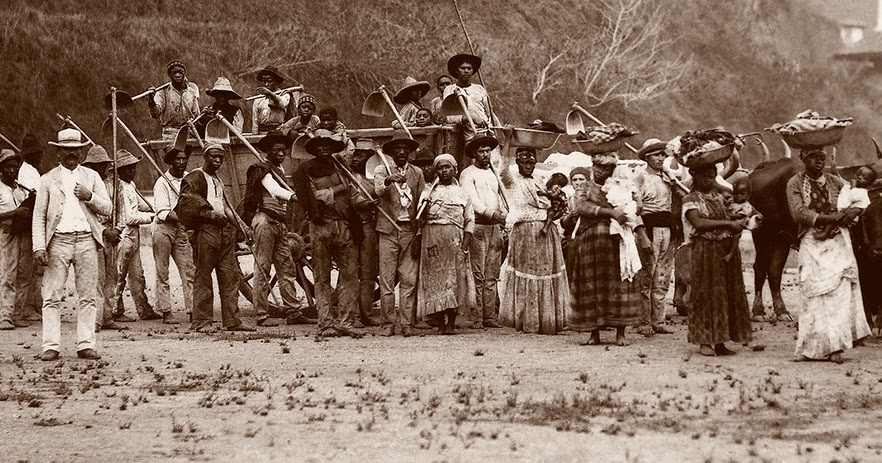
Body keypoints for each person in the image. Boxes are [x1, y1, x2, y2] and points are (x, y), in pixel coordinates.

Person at [33, 128, 112, 360]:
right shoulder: (47, 179)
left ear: (80, 152)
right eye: (66, 150)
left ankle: (86, 344)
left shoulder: (91, 177)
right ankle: (51, 345)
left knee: (88, 295)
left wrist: (89, 196)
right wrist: (39, 246)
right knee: (51, 295)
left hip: (87, 239)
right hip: (58, 240)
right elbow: (39, 216)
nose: (71, 154)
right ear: (58, 152)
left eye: (75, 150)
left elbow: (107, 208)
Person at [786, 147, 870, 363]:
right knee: (812, 294)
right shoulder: (795, 183)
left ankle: (835, 348)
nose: (819, 161)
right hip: (812, 242)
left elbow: (857, 197)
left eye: (822, 158)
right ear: (802, 158)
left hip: (837, 243)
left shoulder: (835, 181)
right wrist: (834, 219)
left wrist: (856, 210)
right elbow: (799, 214)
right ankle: (809, 349)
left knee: (837, 295)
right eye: (813, 157)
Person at [563, 153, 643, 346]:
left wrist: (634, 206)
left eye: (605, 168)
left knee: (618, 283)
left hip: (616, 242)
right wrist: (610, 212)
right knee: (592, 284)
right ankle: (594, 333)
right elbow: (582, 207)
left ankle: (620, 333)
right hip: (591, 241)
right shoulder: (585, 187)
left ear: (611, 170)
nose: (600, 171)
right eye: (597, 167)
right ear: (593, 166)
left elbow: (635, 206)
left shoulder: (620, 184)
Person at [291, 131, 364, 340]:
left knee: (350, 274)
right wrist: (338, 189)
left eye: (327, 145)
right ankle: (325, 323)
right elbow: (317, 198)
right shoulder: (306, 171)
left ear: (332, 148)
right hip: (321, 226)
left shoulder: (341, 167)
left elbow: (352, 194)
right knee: (321, 276)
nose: (324, 149)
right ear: (313, 150)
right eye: (319, 146)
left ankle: (345, 322)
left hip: (344, 225)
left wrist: (365, 201)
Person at [176, 143, 255, 333]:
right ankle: (202, 321)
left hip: (224, 232)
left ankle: (232, 320)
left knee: (230, 276)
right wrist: (210, 215)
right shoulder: (195, 177)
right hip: (207, 231)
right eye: (214, 157)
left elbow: (227, 209)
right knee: (203, 276)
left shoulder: (218, 181)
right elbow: (186, 202)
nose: (218, 161)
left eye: (220, 157)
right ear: (205, 157)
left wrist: (243, 227)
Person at [242, 131, 313, 326]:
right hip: (265, 221)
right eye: (277, 150)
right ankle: (261, 315)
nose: (281, 153)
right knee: (263, 267)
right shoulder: (262, 170)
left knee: (287, 267)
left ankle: (293, 312)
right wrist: (296, 197)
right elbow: (275, 191)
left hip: (280, 225)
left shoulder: (278, 169)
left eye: (283, 150)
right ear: (269, 152)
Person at [682, 164, 752, 357]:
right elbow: (698, 223)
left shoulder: (719, 197)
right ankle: (704, 341)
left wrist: (740, 219)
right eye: (705, 176)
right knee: (705, 294)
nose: (709, 180)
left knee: (723, 294)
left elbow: (726, 214)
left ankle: (720, 341)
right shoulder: (689, 199)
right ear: (694, 176)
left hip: (723, 248)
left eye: (712, 177)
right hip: (704, 250)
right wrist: (729, 223)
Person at [498, 146, 567, 334]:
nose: (528, 166)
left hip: (546, 232)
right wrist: (509, 140)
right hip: (524, 232)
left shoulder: (540, 180)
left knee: (545, 272)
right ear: (518, 162)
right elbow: (502, 169)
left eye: (531, 163)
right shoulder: (511, 181)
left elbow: (553, 201)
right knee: (526, 272)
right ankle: (528, 320)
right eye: (524, 162)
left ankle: (546, 320)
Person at [415, 154, 475, 335]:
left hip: (454, 241)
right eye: (440, 168)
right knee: (435, 282)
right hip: (432, 241)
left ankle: (451, 323)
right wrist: (424, 205)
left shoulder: (463, 193)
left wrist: (464, 246)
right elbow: (420, 219)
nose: (444, 171)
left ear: (454, 169)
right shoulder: (428, 191)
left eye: (447, 167)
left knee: (454, 282)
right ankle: (439, 323)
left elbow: (469, 221)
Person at [373, 132, 425, 336]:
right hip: (387, 230)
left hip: (409, 231)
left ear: (410, 152)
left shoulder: (417, 173)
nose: (402, 152)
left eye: (405, 149)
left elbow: (421, 204)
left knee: (409, 279)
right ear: (392, 152)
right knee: (386, 280)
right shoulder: (381, 169)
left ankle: (406, 323)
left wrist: (419, 231)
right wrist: (388, 180)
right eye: (397, 149)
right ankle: (387, 324)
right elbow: (378, 190)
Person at [459, 135, 507, 329]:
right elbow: (474, 202)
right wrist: (492, 214)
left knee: (492, 274)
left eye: (488, 151)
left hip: (495, 227)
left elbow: (498, 196)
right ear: (474, 154)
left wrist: (502, 213)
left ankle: (490, 316)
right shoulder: (467, 174)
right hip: (479, 226)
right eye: (481, 151)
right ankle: (477, 316)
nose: (486, 155)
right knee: (477, 274)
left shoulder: (493, 172)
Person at [634, 140, 679, 335]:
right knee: (646, 276)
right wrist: (641, 234)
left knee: (662, 276)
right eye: (656, 155)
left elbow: (681, 196)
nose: (661, 158)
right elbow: (633, 208)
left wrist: (674, 185)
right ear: (646, 157)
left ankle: (658, 321)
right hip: (649, 229)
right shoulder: (639, 178)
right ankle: (643, 321)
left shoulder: (668, 177)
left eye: (663, 155)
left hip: (667, 229)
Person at [80, 145, 125, 331]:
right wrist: (103, 231)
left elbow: (120, 210)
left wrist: (117, 229)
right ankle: (95, 320)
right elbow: (84, 214)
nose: (99, 169)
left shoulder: (115, 185)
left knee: (112, 278)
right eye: (95, 165)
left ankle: (107, 316)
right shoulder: (84, 187)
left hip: (112, 236)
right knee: (96, 279)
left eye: (102, 165)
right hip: (94, 235)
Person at [112, 150, 160, 322]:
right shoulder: (120, 188)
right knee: (119, 275)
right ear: (119, 170)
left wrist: (158, 205)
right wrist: (152, 217)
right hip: (123, 235)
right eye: (127, 169)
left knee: (137, 275)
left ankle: (143, 308)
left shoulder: (130, 186)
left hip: (134, 236)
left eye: (133, 168)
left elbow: (140, 204)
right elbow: (129, 217)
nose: (131, 172)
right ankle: (114, 310)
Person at [152, 146, 196, 325]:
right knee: (162, 272)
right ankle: (166, 311)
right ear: (171, 162)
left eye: (184, 158)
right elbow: (163, 212)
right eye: (177, 159)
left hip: (181, 230)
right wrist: (186, 219)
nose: (181, 162)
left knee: (189, 270)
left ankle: (193, 311)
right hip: (164, 229)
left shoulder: (189, 179)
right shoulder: (162, 183)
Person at [349, 139, 382, 327]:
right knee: (350, 271)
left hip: (368, 225)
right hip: (351, 226)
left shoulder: (374, 179)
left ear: (369, 159)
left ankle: (366, 313)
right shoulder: (346, 175)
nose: (355, 159)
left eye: (360, 156)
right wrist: (365, 203)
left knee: (368, 272)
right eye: (354, 155)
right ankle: (352, 315)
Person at [0, 149, 32, 330]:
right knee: (6, 274)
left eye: (15, 166)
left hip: (23, 233)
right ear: (1, 169)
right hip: (5, 234)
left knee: (24, 274)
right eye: (8, 167)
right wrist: (14, 213)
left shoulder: (20, 189)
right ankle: (5, 315)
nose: (12, 170)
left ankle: (17, 314)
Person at [16, 133, 43, 321]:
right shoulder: (25, 172)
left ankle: (34, 303)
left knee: (36, 268)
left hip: (34, 223)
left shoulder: (33, 170)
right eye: (35, 153)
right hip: (27, 223)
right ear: (28, 155)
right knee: (27, 268)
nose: (39, 156)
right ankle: (25, 308)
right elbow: (31, 200)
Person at [442, 53, 499, 140]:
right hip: (465, 134)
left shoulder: (480, 89)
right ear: (456, 70)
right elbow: (448, 117)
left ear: (473, 71)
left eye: (469, 68)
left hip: (485, 131)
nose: (466, 71)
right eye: (462, 68)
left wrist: (496, 131)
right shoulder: (450, 89)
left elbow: (489, 113)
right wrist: (470, 118)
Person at [148, 60, 201, 140]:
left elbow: (197, 116)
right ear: (170, 75)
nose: (177, 75)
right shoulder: (163, 92)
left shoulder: (191, 92)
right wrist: (151, 100)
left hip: (189, 133)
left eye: (180, 72)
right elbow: (155, 114)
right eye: (174, 73)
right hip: (170, 134)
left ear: (184, 74)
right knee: (178, 152)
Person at [724, 177, 763, 262]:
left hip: (738, 224)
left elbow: (739, 216)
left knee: (736, 236)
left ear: (748, 196)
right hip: (729, 224)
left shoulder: (746, 206)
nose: (738, 196)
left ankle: (731, 253)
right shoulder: (733, 201)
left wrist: (727, 215)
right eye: (736, 193)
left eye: (742, 194)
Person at [251, 65, 291, 134]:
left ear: (277, 82)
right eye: (264, 81)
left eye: (270, 81)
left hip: (278, 132)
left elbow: (281, 103)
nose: (266, 84)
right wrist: (255, 135)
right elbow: (255, 121)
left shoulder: (284, 95)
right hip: (262, 133)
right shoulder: (258, 99)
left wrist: (271, 94)